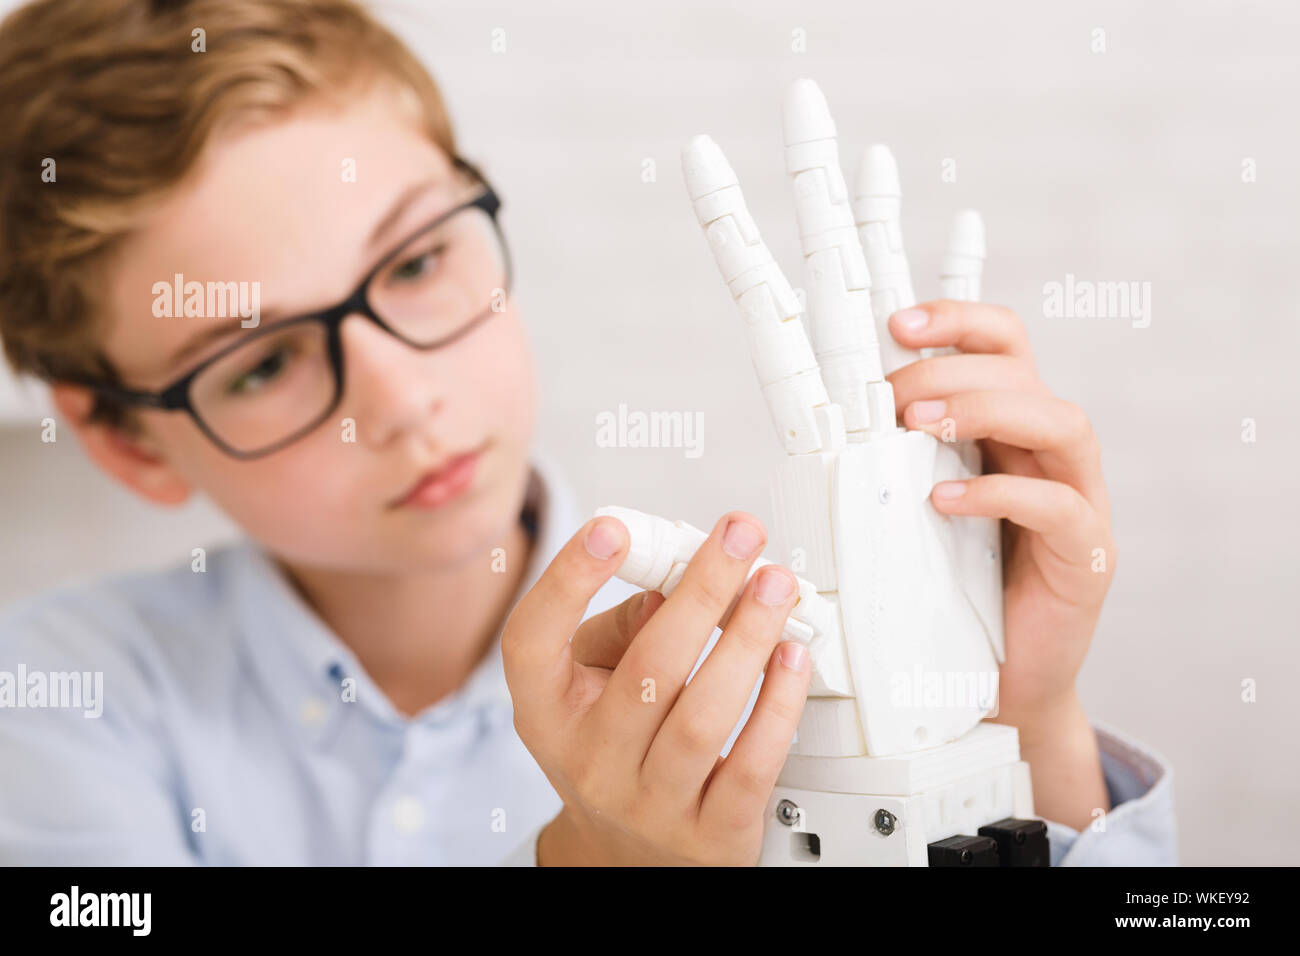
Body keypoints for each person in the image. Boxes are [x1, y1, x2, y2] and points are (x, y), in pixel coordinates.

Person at [0, 0, 1174, 865]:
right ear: (131, 444)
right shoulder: (55, 705)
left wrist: (1009, 720)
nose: (404, 398)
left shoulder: (800, 664)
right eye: (258, 360)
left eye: (414, 261)